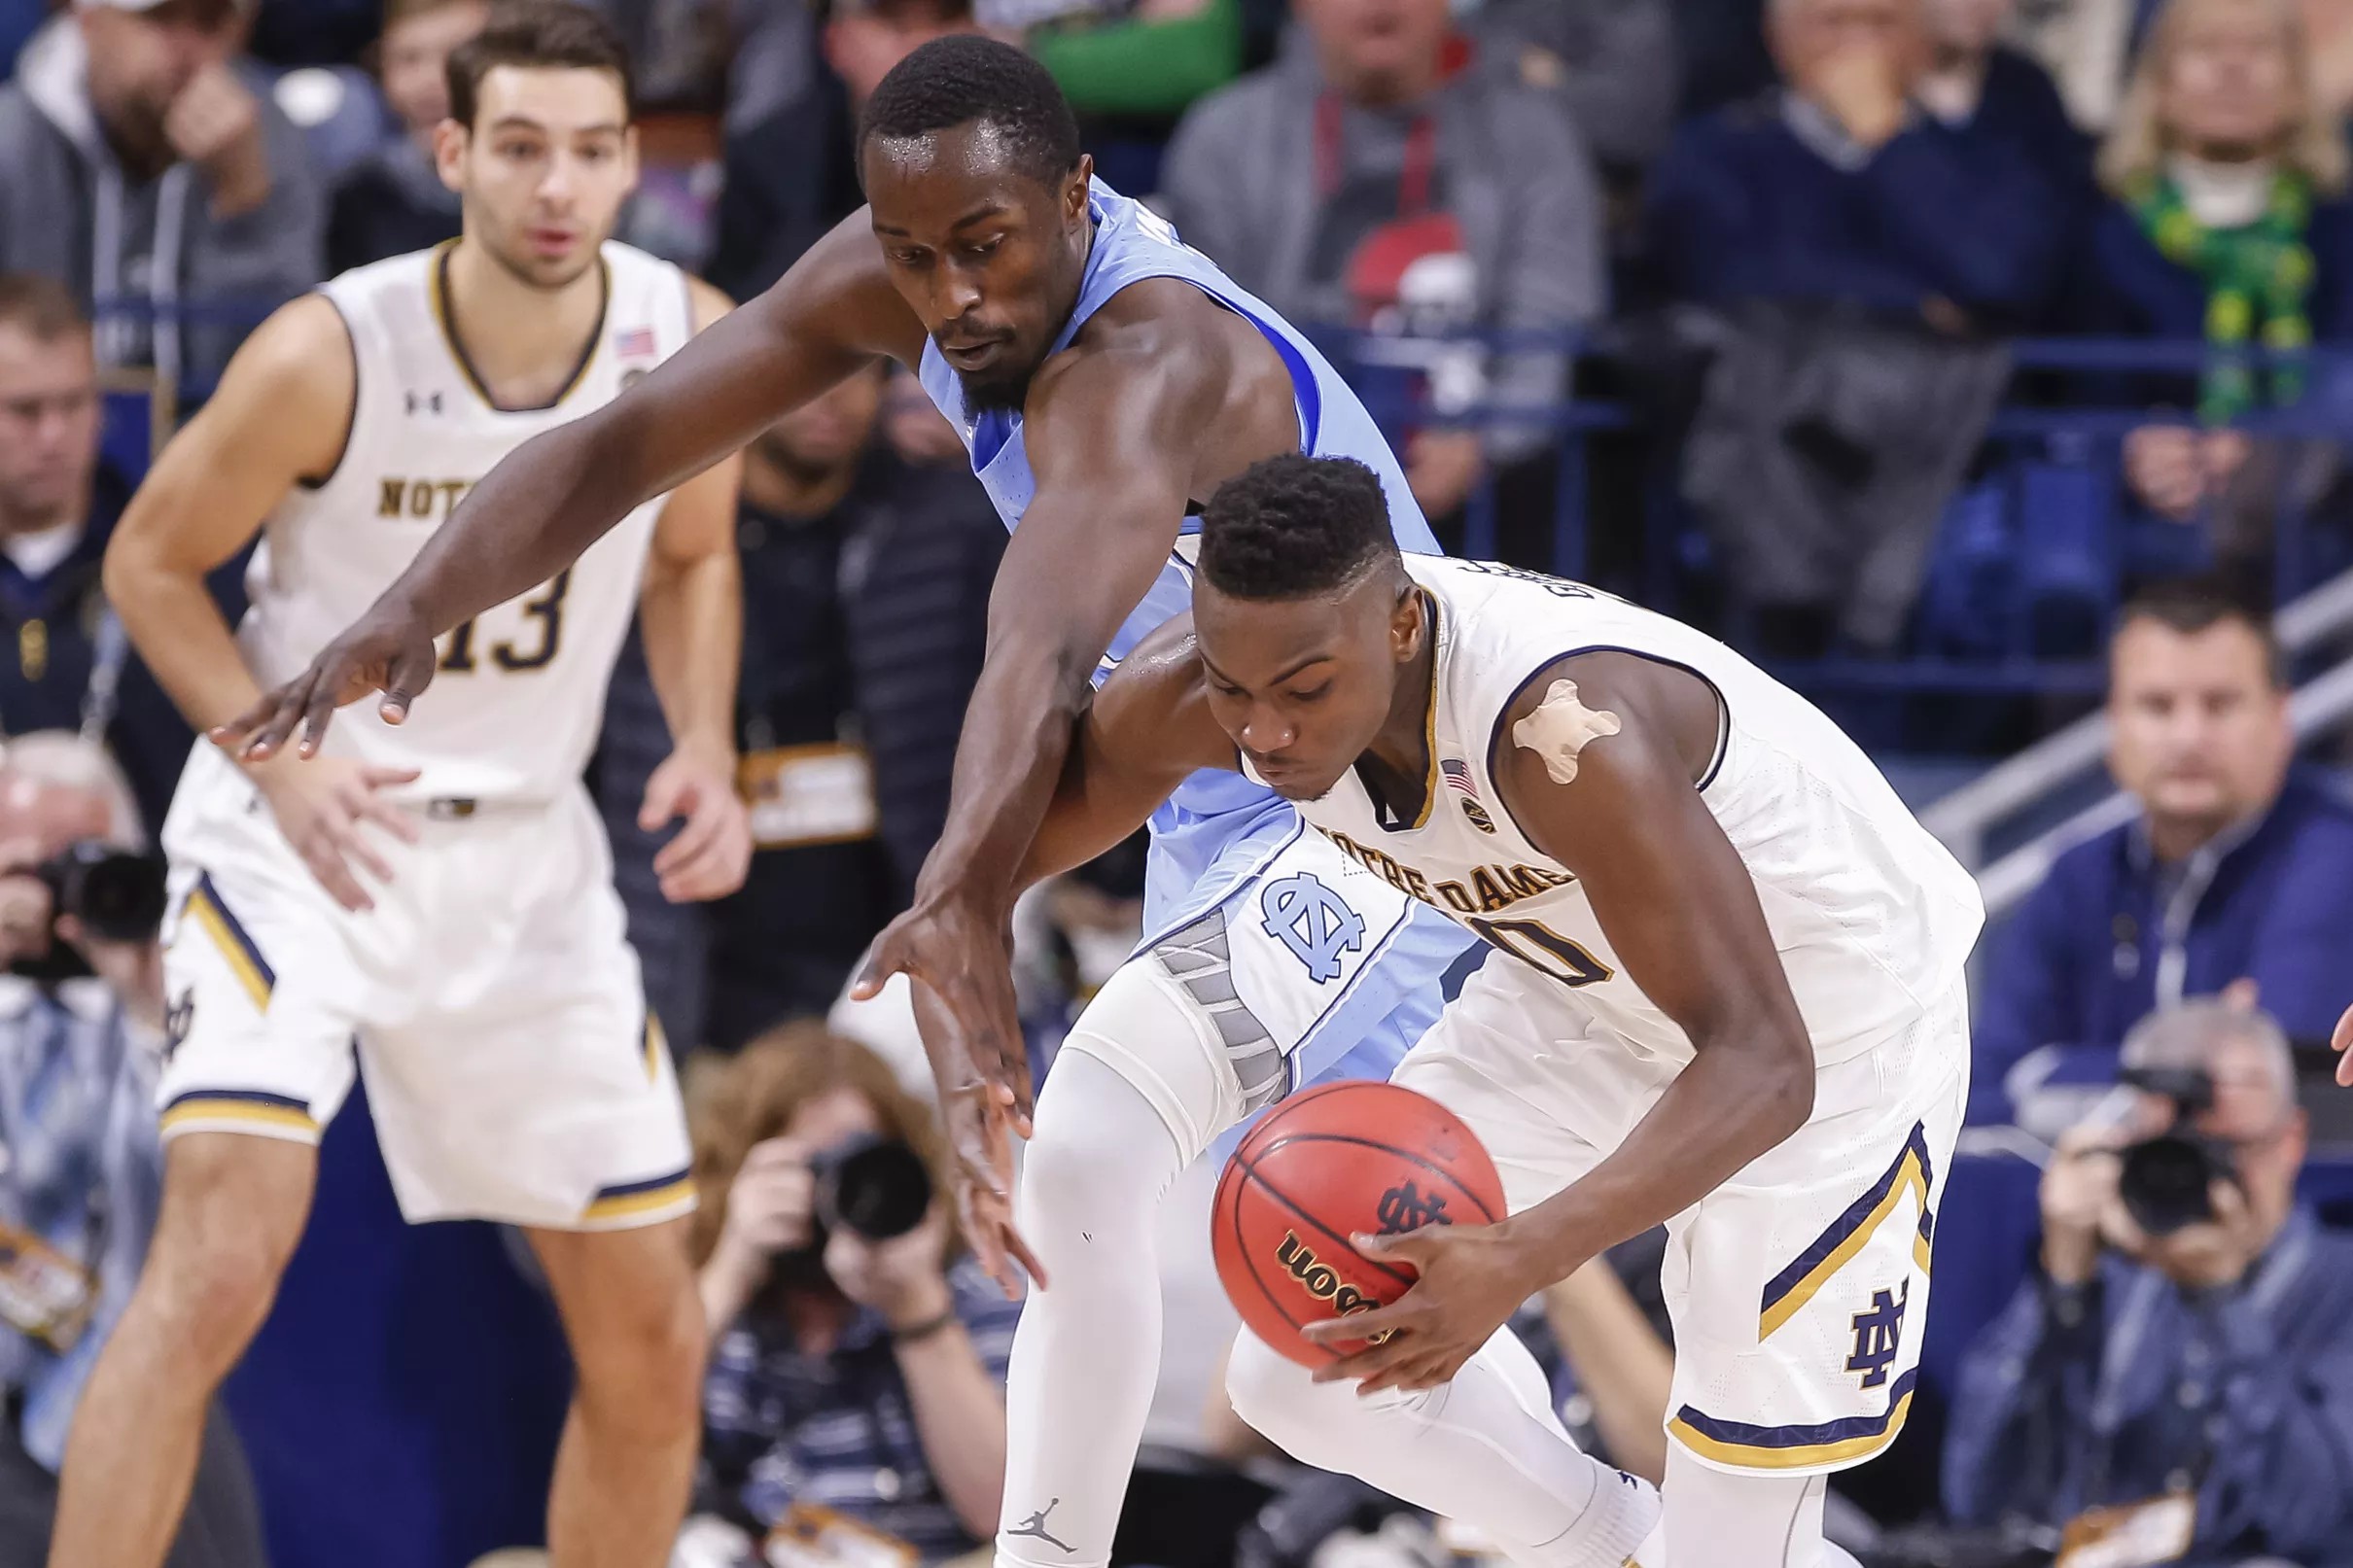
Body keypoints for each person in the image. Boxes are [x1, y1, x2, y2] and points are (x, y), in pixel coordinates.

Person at [219, 34, 1505, 1568]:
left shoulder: (1149, 359)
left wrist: (969, 900)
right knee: (1258, 1316)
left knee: (1284, 1302)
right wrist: (415, 599)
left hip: (1392, 794)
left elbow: (1036, 647)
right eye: (916, 257)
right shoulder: (908, 272)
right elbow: (630, 441)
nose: (952, 297)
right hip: (1210, 794)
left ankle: (1649, 1534)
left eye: (985, 249)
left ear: (1078, 201)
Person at [978, 452, 1982, 1568]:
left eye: (1303, 690)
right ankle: (1620, 1544)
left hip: (1832, 1026)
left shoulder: (1564, 736)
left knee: (1735, 1537)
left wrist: (1518, 1254)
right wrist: (947, 926)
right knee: (1302, 1369)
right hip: (1587, 987)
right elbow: (1023, 834)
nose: (1262, 735)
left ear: (1401, 623)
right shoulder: (1231, 685)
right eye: (1231, 689)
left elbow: (1763, 1063)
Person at [49, 6, 754, 1567]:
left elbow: (696, 558)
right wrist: (271, 763)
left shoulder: (685, 334)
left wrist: (703, 742)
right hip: (301, 832)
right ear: (452, 155)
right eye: (518, 149)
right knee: (221, 1259)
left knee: (651, 1343)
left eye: (589, 150)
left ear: (635, 163)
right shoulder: (332, 347)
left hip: (525, 858)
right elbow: (149, 565)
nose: (555, 186)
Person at [1158, 0, 1604, 525]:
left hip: (1494, 495)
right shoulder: (1224, 135)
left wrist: (1487, 439)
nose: (1378, 4)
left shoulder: (1533, 134)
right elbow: (1213, 327)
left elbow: (1548, 316)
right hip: (1276, 481)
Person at [1944, 998, 2353, 1561]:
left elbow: (2318, 1521)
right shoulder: (2115, 1271)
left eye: (2224, 1150)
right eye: (2167, 1152)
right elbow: (1976, 1492)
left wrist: (2219, 1301)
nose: (2197, 1181)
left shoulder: (2341, 1285)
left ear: (2290, 1138)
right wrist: (2062, 1283)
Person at [0, 732, 267, 1568]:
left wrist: (153, 1001)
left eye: (70, 865)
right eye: (13, 865)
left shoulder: (187, 1010)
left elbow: (231, 1201)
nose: (42, 898)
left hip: (137, 1388)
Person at [1973, 580, 2353, 1111]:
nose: (2188, 736)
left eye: (2220, 705)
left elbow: (2277, 1080)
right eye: (2158, 706)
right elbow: (1986, 1089)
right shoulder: (2077, 875)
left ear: (2280, 718)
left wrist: (2054, 1075)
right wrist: (2183, 1062)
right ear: (2114, 724)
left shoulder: (2336, 861)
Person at [687, 1023, 1021, 1564]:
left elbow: (1000, 1511)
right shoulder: (722, 1291)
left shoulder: (974, 1286)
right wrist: (731, 1267)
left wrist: (917, 1308)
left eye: (855, 1164)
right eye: (807, 1169)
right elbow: (622, 1446)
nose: (831, 1195)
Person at [2073, 0, 2353, 559]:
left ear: (2298, 84)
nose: (2234, 70)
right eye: (2205, 50)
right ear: (2158, 84)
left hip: (2323, 526)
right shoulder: (2100, 226)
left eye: (2259, 50)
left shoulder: (2338, 225)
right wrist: (2139, 449)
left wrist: (2266, 446)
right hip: (2143, 525)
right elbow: (2074, 397)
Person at [0, 0, 325, 392]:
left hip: (216, 440)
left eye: (209, 22)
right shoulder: (13, 142)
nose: (186, 48)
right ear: (87, 23)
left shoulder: (268, 140)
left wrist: (243, 204)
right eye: (159, 19)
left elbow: (273, 383)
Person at [0, 272, 213, 831]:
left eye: (74, 404)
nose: (53, 435)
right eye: (24, 411)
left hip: (142, 902)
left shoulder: (175, 566)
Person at [702, 0, 979, 303]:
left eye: (946, 18)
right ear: (834, 41)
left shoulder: (1024, 147)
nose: (922, 42)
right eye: (894, 23)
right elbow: (734, 308)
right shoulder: (768, 156)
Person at [325, 0, 490, 272]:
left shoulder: (543, 185)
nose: (432, 79)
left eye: (458, 56)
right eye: (409, 58)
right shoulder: (359, 196)